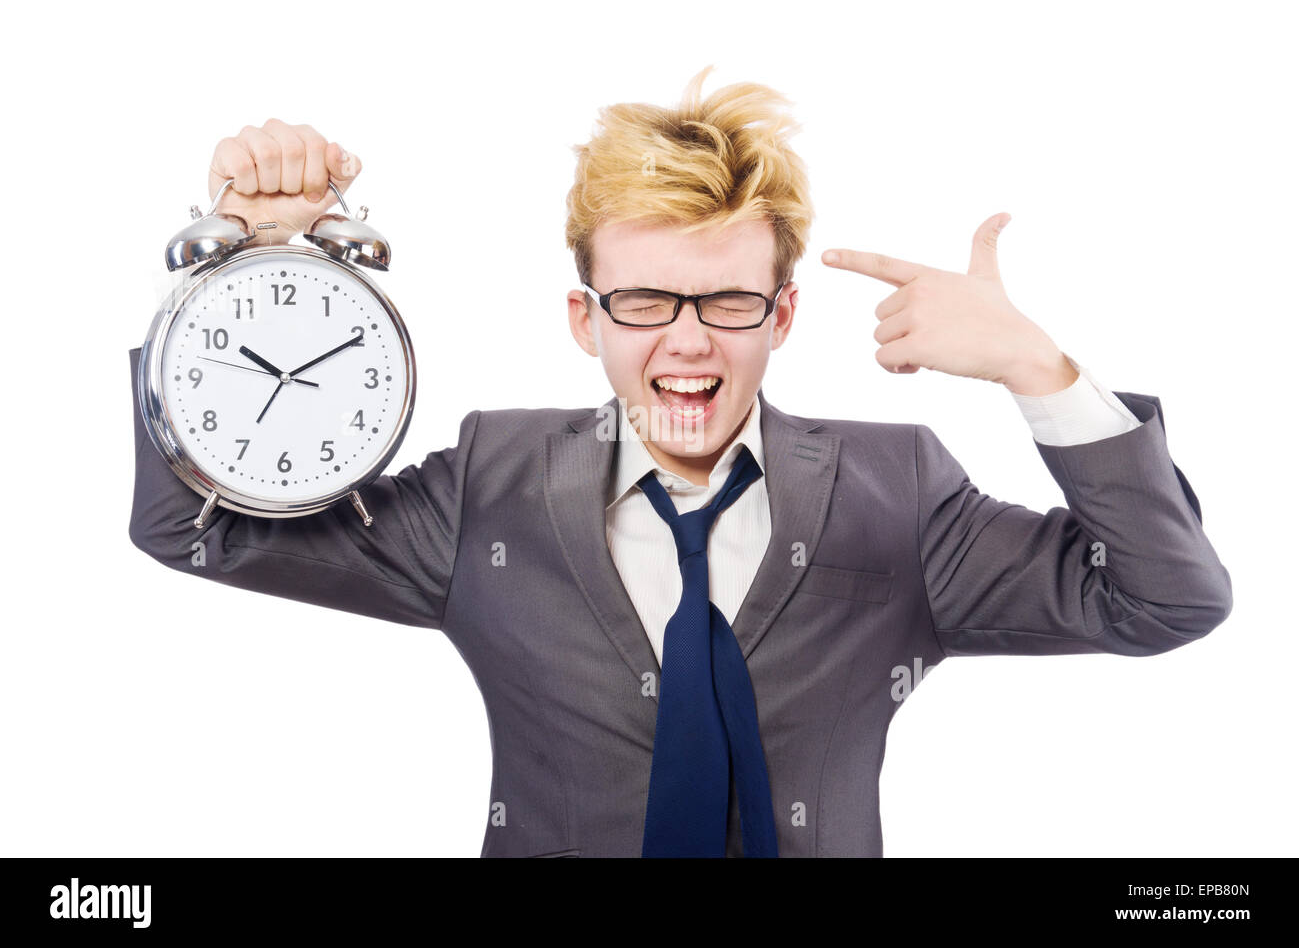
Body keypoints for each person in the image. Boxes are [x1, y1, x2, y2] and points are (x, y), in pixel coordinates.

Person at [128, 67, 1232, 857]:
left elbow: (1162, 600)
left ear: (782, 315)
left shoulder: (899, 491)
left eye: (729, 301)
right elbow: (197, 531)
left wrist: (1041, 373)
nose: (689, 341)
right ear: (585, 319)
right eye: (646, 300)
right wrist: (248, 263)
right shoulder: (488, 484)